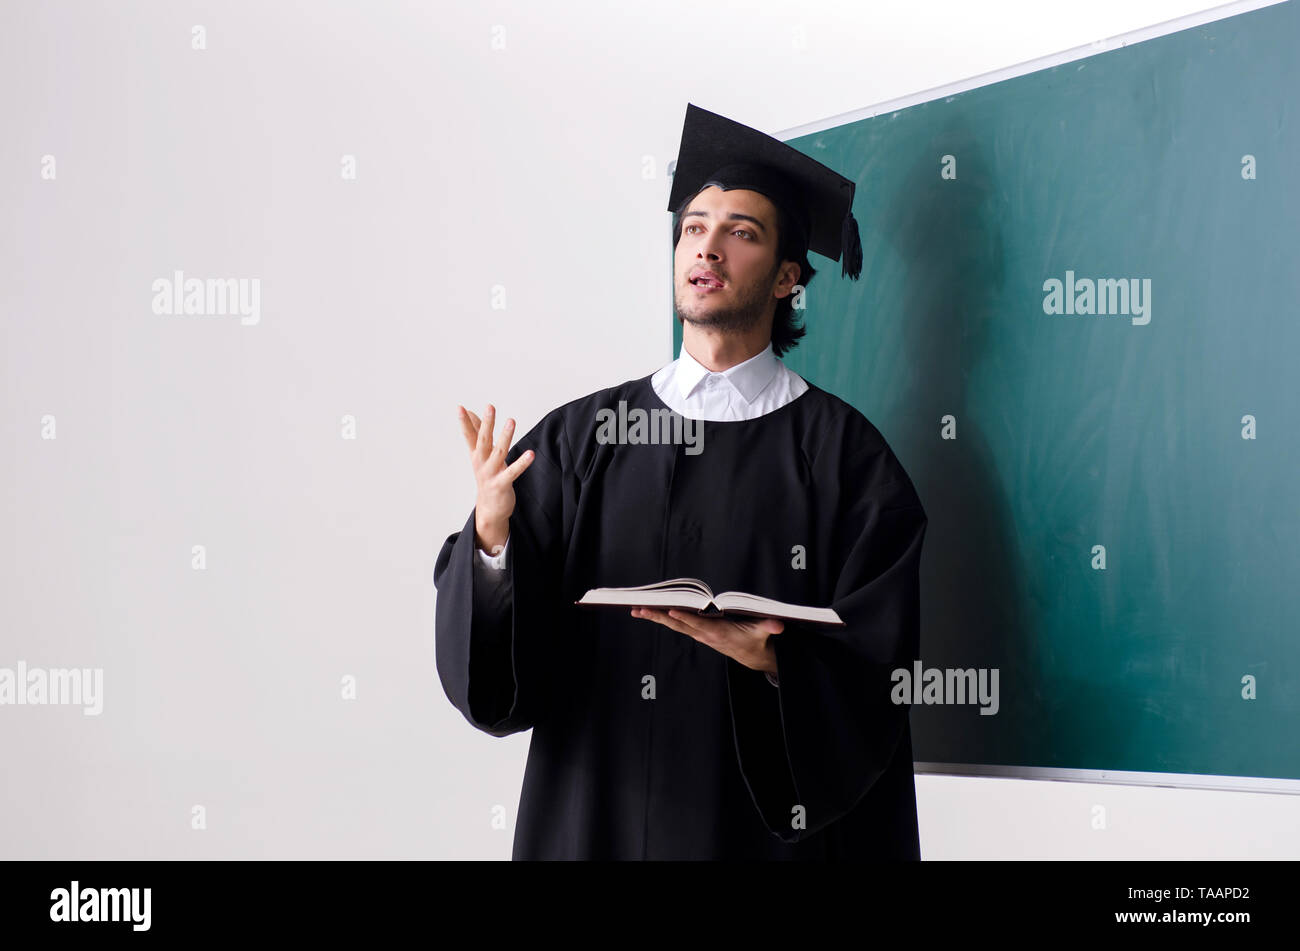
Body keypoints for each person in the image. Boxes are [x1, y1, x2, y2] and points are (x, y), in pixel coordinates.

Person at [434, 103, 928, 860]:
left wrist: (775, 659)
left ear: (789, 277)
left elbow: (881, 669)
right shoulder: (579, 440)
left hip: (767, 838)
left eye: (742, 231)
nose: (709, 247)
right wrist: (494, 539)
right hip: (600, 811)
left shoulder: (849, 463)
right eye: (695, 227)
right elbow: (500, 679)